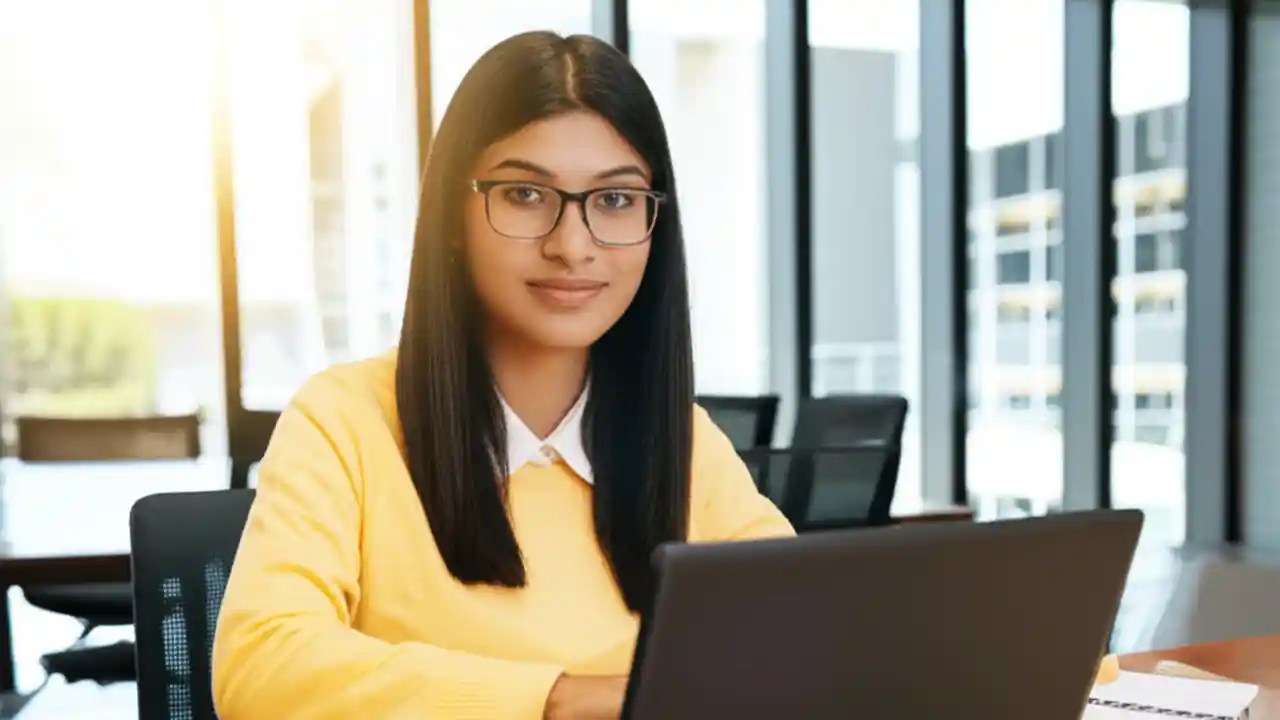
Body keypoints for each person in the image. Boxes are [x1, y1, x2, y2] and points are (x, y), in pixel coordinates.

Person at [212, 30, 793, 720]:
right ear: (453, 218)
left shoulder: (682, 441)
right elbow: (262, 667)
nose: (572, 246)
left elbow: (798, 644)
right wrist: (554, 700)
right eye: (524, 194)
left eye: (614, 201)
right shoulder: (345, 420)